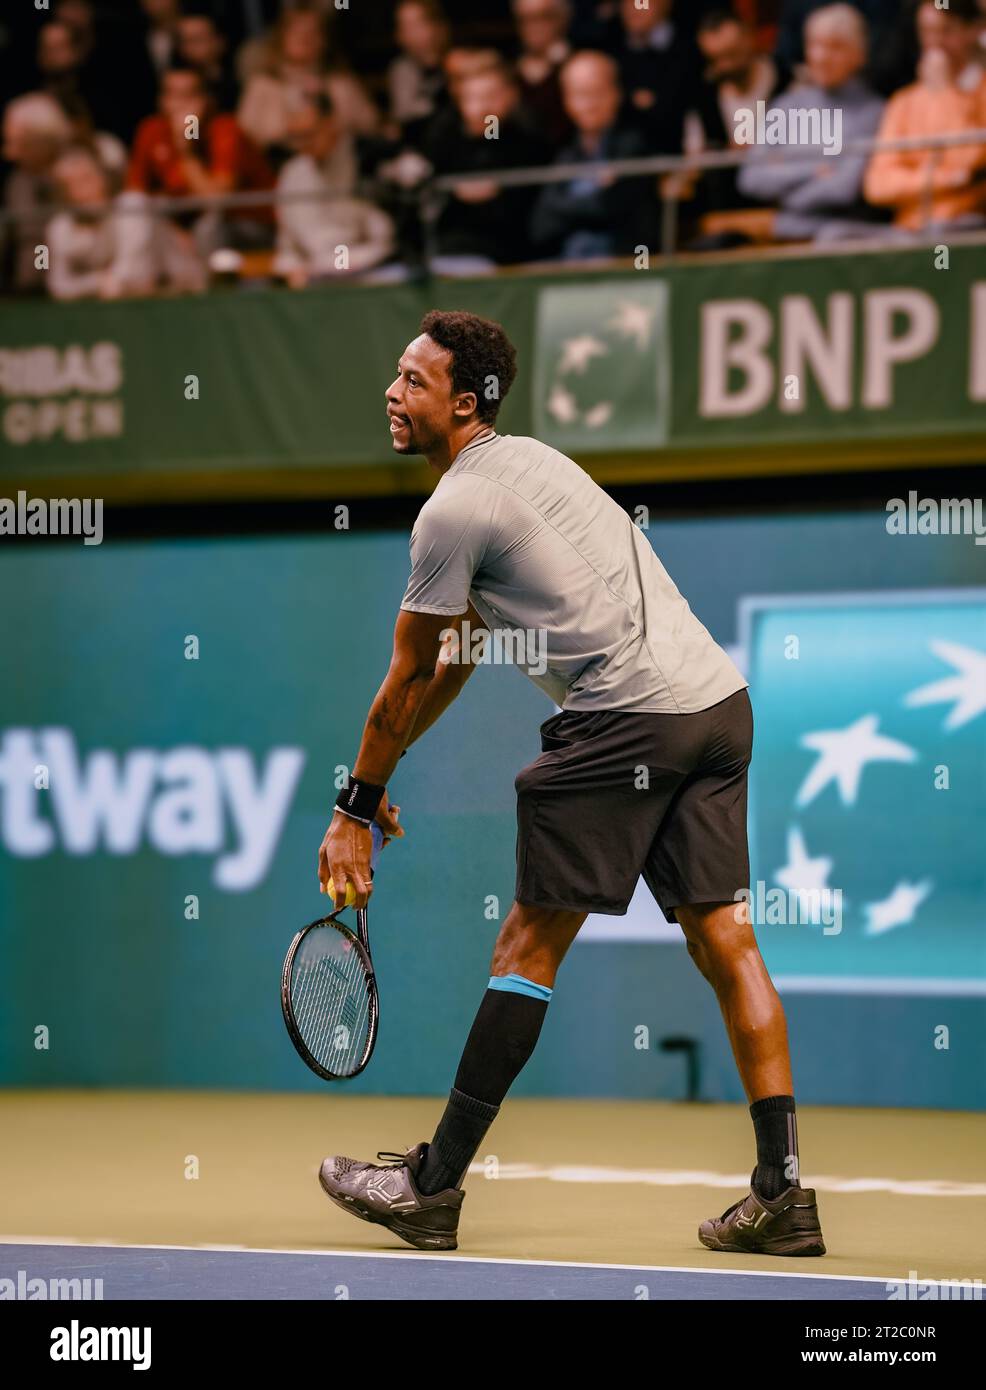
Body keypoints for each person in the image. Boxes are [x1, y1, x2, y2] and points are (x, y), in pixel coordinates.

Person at [316, 309, 826, 1259]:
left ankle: (431, 1188)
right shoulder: (535, 463)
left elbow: (405, 674)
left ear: (464, 404)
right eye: (395, 375)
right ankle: (783, 1196)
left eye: (414, 381)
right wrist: (386, 772)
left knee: (526, 942)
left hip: (627, 716)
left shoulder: (451, 510)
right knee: (727, 938)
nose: (392, 392)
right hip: (718, 706)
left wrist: (353, 807)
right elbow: (456, 657)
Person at [737, 3, 885, 242]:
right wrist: (814, 170)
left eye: (835, 47)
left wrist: (785, 186)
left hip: (847, 233)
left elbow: (843, 190)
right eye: (815, 44)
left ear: (859, 54)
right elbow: (751, 178)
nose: (821, 56)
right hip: (784, 232)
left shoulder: (872, 110)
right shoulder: (786, 105)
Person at [864, 0, 986, 234]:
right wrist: (952, 179)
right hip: (906, 230)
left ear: (972, 30)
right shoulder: (903, 101)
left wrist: (944, 94)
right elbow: (878, 186)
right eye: (927, 32)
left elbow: (967, 159)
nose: (935, 44)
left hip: (964, 227)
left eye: (946, 30)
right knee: (839, 235)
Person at [127, 65, 274, 255]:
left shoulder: (224, 129)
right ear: (161, 100)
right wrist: (175, 231)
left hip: (242, 224)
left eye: (187, 96)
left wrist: (186, 149)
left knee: (208, 226)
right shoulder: (152, 130)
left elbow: (216, 202)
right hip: (182, 225)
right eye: (171, 95)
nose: (179, 105)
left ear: (205, 100)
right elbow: (135, 196)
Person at [421, 62, 553, 270]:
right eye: (473, 98)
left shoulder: (527, 145)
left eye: (491, 96)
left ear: (510, 95)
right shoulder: (443, 140)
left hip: (502, 254)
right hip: (445, 251)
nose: (483, 107)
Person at [531, 50, 656, 260]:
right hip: (565, 266)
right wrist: (596, 199)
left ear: (617, 93)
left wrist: (565, 206)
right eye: (580, 94)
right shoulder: (564, 154)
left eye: (597, 92)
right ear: (566, 100)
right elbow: (541, 226)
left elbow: (616, 209)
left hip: (624, 265)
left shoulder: (636, 146)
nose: (590, 104)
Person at [273, 94, 395, 286]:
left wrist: (338, 265)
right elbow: (287, 248)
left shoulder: (364, 161)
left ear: (330, 123)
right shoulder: (292, 172)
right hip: (312, 278)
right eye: (295, 137)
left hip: (367, 276)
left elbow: (383, 241)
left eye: (308, 134)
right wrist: (291, 268)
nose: (303, 145)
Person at [1, 93, 71, 295]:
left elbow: (42, 239)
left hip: (67, 273)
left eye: (18, 142)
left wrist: (40, 274)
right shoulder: (19, 180)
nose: (8, 153)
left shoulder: (72, 168)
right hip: (31, 274)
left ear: (40, 139)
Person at [388, 0, 451, 147]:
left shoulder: (457, 62)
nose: (412, 34)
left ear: (438, 27)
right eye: (405, 27)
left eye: (419, 24)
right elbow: (403, 118)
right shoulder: (400, 70)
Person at [512, 0, 574, 147]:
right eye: (524, 19)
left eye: (543, 17)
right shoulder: (511, 72)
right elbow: (494, 134)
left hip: (569, 159)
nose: (534, 26)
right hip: (524, 158)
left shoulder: (579, 67)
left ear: (562, 18)